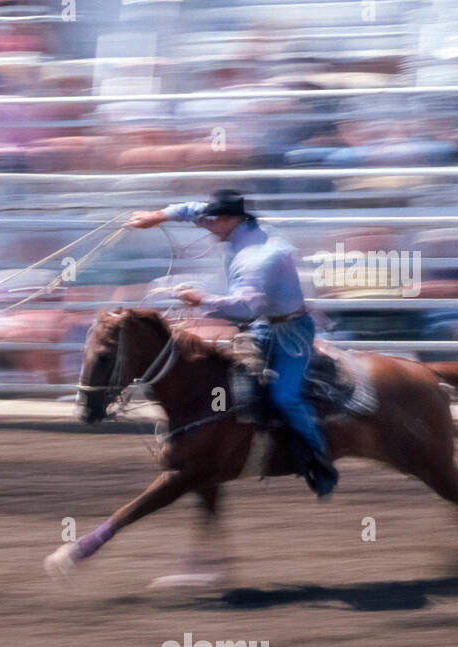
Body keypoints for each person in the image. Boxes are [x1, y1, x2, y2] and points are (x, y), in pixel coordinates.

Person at [127, 189, 338, 497]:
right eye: (209, 218)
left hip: (291, 332)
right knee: (234, 377)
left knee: (285, 397)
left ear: (229, 220)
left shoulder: (255, 259)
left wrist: (199, 299)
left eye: (213, 220)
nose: (207, 224)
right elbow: (192, 208)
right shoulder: (236, 227)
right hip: (268, 323)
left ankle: (320, 457)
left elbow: (245, 307)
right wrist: (157, 216)